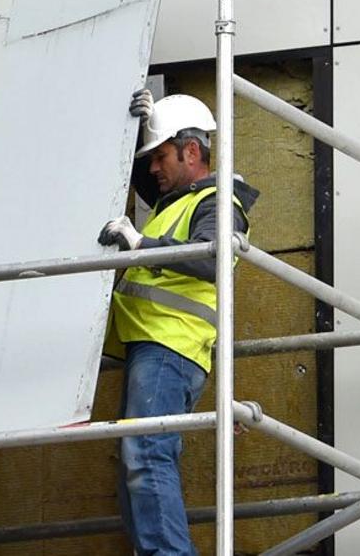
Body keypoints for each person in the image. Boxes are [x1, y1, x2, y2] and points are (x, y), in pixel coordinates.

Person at [98, 89, 259, 556]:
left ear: (192, 151)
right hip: (152, 346)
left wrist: (139, 245)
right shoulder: (175, 201)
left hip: (171, 347)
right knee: (136, 464)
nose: (153, 170)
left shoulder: (219, 200)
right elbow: (145, 184)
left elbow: (212, 259)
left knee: (147, 455)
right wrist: (141, 132)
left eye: (161, 156)